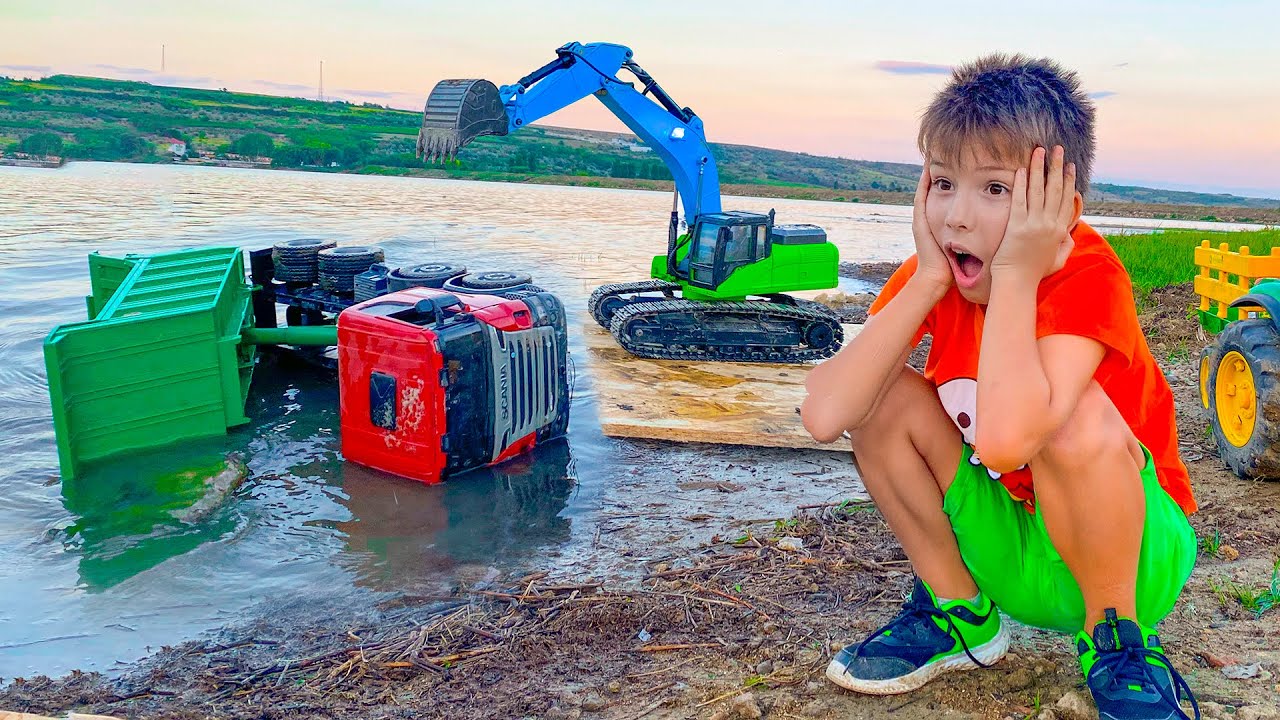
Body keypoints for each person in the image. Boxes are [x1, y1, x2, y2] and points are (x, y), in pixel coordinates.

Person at [799, 54, 1200, 720]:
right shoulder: (938, 271)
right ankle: (963, 616)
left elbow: (1011, 439)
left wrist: (1016, 275)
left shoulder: (1087, 275)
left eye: (994, 189)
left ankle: (1119, 644)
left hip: (1128, 558)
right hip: (1014, 548)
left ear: (1061, 210)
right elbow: (824, 413)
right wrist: (928, 280)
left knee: (1069, 413)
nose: (956, 216)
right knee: (882, 397)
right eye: (943, 183)